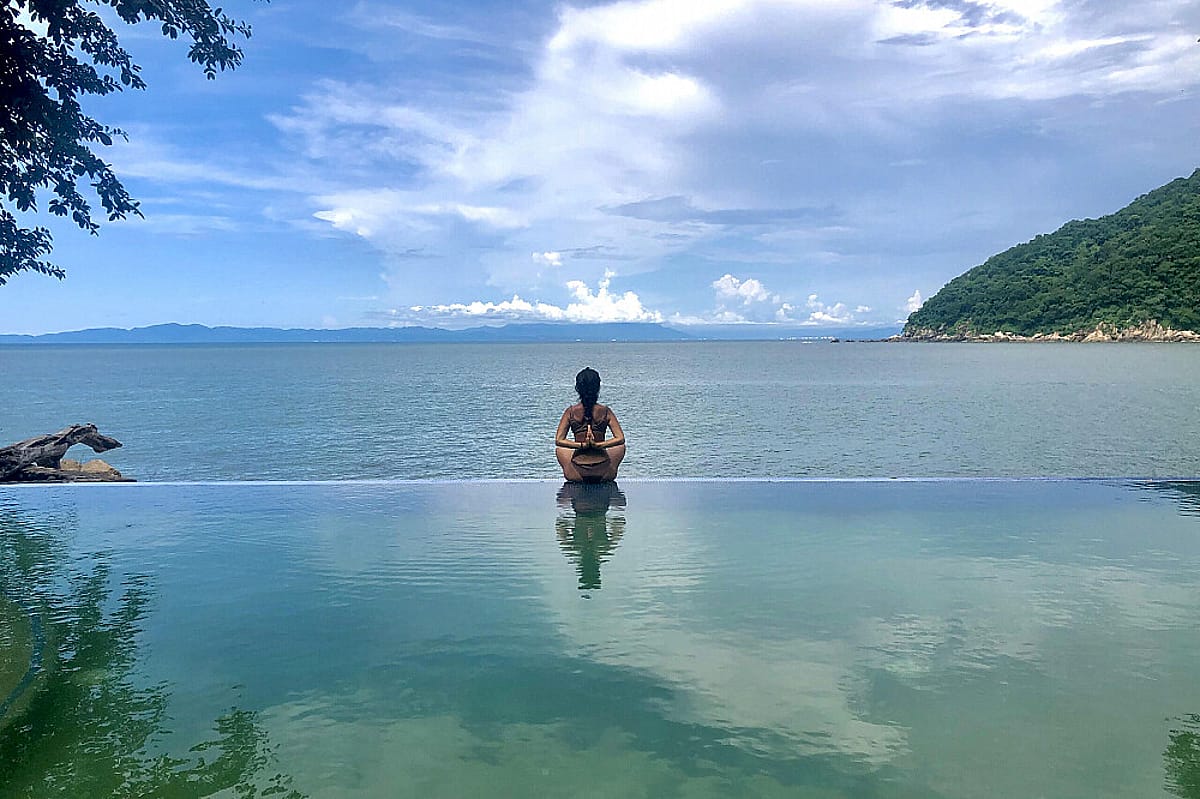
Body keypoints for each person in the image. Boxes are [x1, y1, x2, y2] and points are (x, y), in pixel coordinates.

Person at [555, 367, 625, 482]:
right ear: (598, 387)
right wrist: (599, 445)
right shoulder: (606, 411)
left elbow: (559, 440)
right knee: (620, 447)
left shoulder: (570, 412)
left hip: (576, 474)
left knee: (560, 449)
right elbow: (620, 438)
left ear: (577, 388)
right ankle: (607, 470)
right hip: (604, 473)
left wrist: (581, 445)